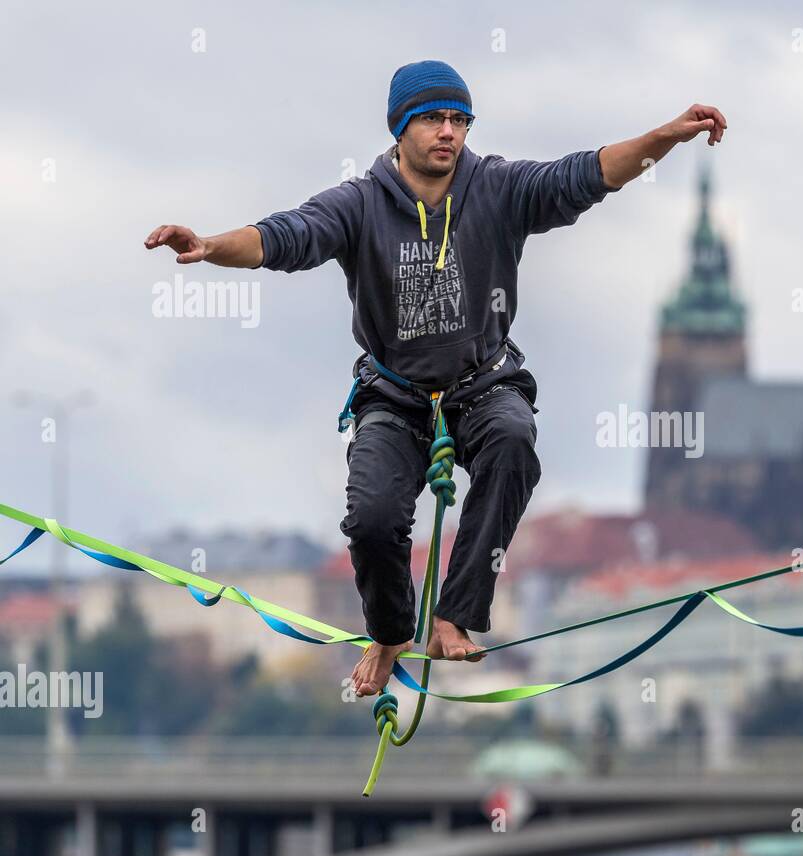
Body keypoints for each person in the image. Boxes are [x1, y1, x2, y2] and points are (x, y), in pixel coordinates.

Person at [144, 60, 727, 697]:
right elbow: (286, 237)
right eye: (431, 119)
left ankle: (456, 614)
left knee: (512, 442)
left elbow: (587, 174)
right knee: (371, 519)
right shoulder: (358, 204)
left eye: (458, 120)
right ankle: (390, 631)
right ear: (400, 128)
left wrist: (667, 136)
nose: (447, 132)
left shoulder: (499, 188)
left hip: (484, 385)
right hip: (393, 397)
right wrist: (209, 245)